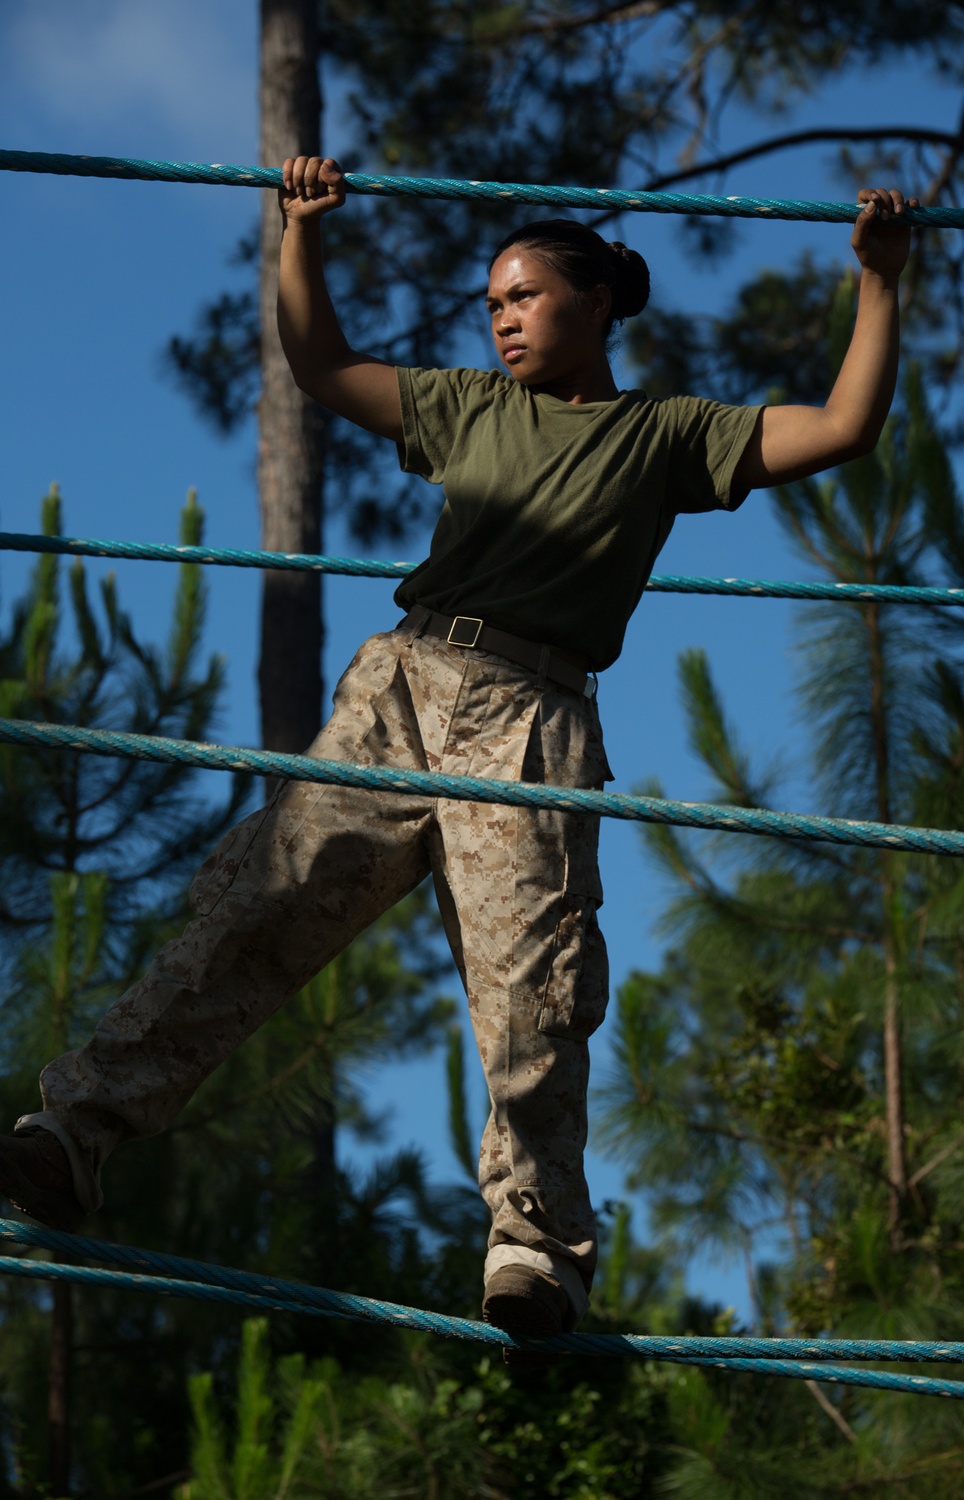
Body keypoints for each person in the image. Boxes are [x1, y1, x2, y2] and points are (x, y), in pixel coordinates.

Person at [0, 157, 917, 1362]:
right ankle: (73, 1132)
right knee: (249, 910)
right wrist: (300, 237)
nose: (502, 316)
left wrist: (878, 283)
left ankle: (536, 1251)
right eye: (491, 301)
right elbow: (323, 366)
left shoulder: (665, 436)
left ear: (595, 303)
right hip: (401, 688)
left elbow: (844, 426)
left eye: (525, 295)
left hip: (532, 715)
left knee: (530, 991)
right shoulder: (463, 408)